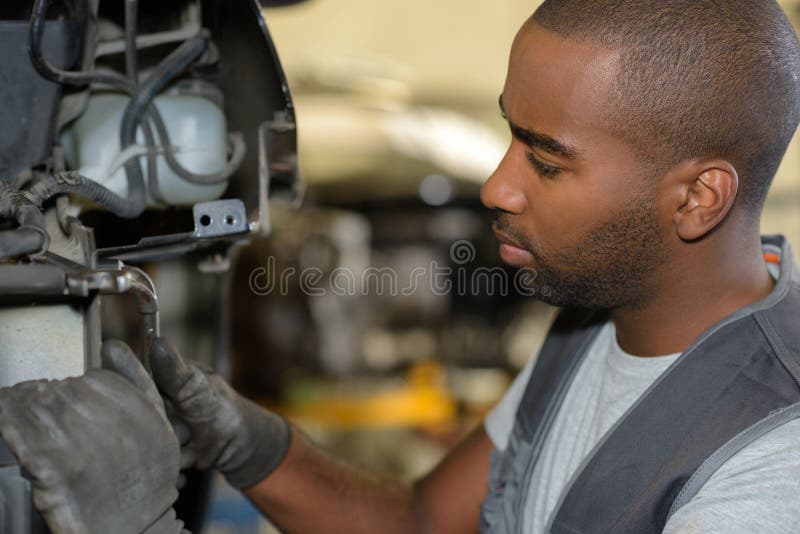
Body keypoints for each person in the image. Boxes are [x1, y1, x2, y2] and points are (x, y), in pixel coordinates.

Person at [5, 0, 800, 532]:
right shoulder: (600, 319)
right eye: (511, 135)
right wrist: (251, 445)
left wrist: (142, 520)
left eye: (548, 163)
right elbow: (419, 522)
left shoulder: (767, 472)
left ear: (700, 197)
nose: (497, 185)